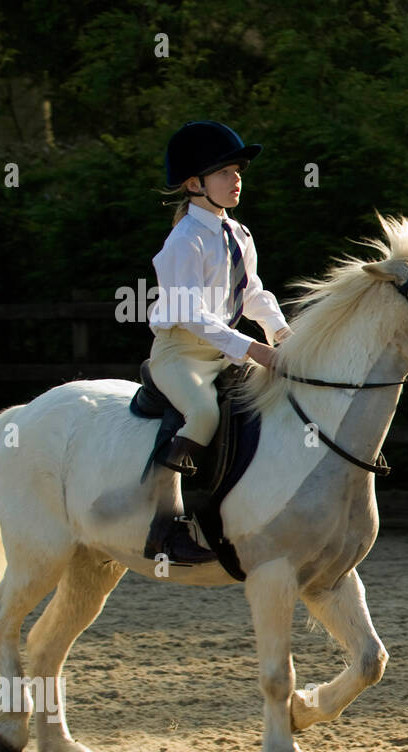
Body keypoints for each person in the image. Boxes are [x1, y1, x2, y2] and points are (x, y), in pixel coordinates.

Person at [143, 121, 292, 564]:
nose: (237, 179)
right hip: (179, 352)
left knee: (272, 402)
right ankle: (163, 525)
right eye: (225, 172)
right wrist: (254, 349)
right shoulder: (183, 241)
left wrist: (283, 335)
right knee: (204, 413)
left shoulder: (240, 234)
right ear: (195, 184)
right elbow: (192, 315)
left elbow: (253, 295)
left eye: (238, 171)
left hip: (223, 350)